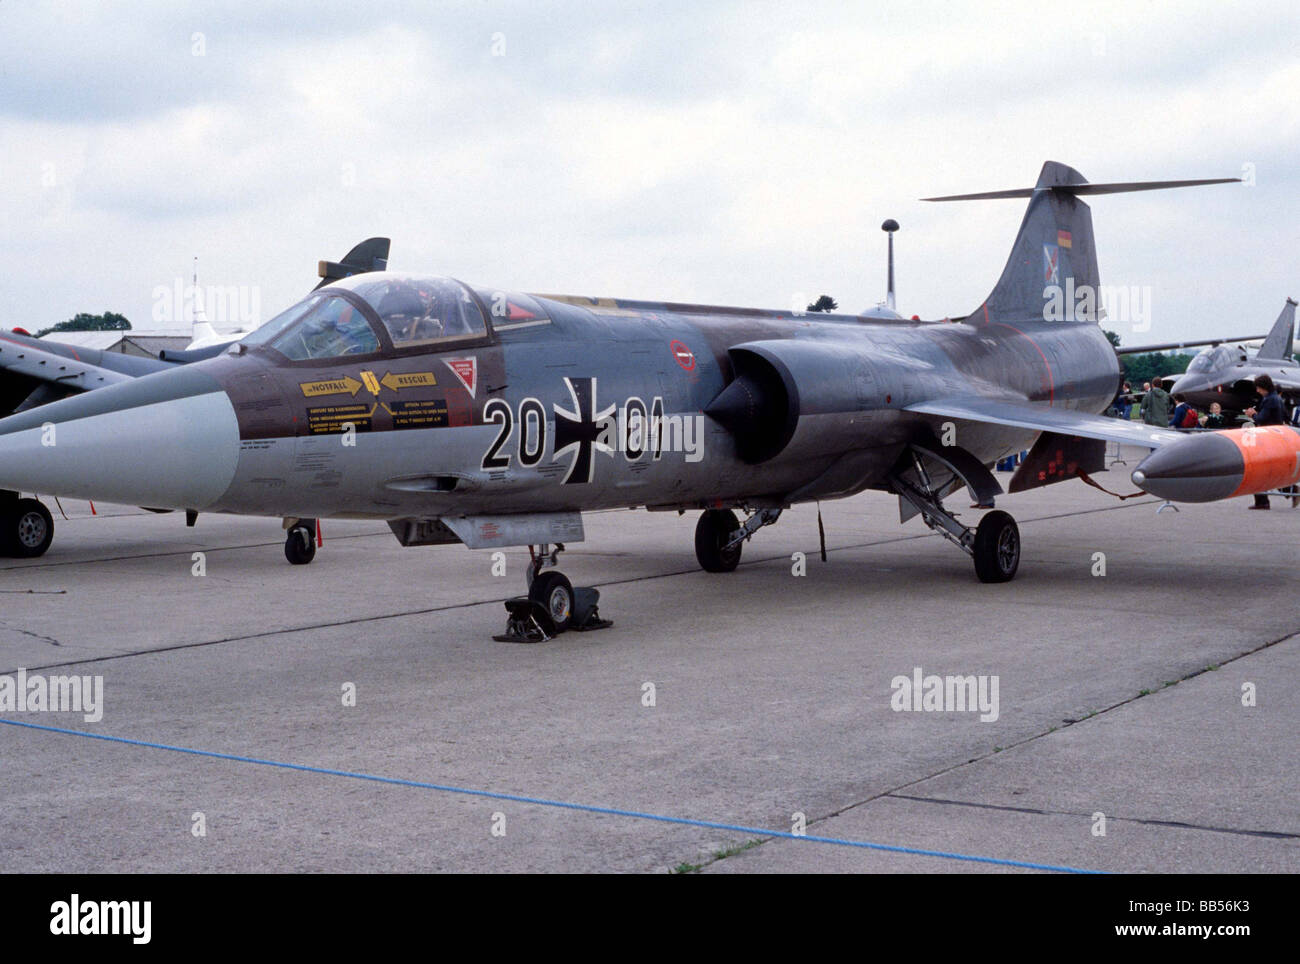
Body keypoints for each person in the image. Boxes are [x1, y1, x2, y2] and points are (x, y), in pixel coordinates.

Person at [1243, 374, 1285, 509]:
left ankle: (1262, 500)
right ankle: (1289, 490)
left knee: (1257, 470)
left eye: (1258, 387)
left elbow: (1261, 419)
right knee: (1271, 470)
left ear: (1263, 387)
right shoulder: (1276, 399)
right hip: (1276, 436)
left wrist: (1252, 414)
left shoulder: (1269, 400)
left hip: (1267, 438)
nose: (1257, 391)